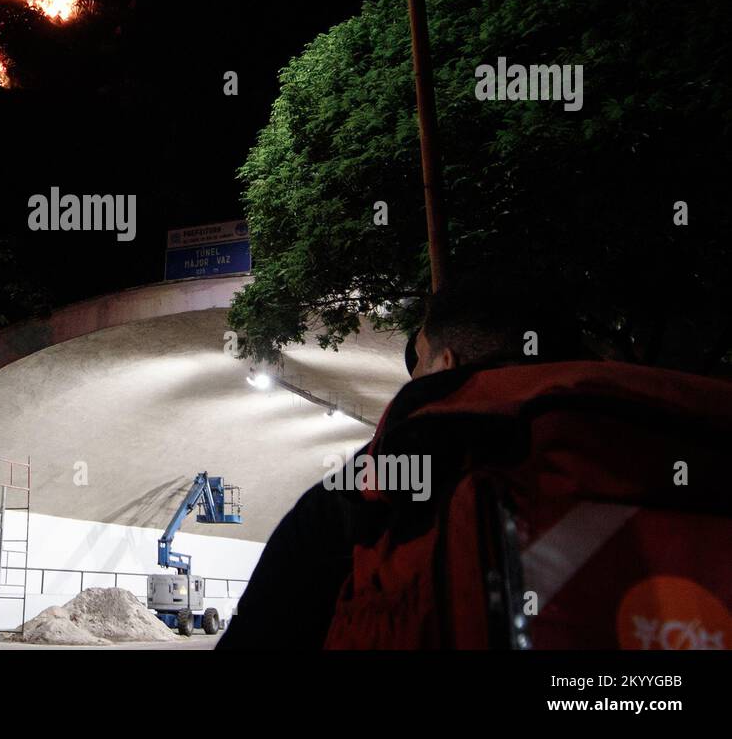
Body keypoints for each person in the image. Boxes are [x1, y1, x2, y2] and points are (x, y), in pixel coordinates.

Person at [216, 277, 577, 649]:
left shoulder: (372, 486)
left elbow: (261, 631)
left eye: (420, 359)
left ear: (446, 365)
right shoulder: (627, 434)